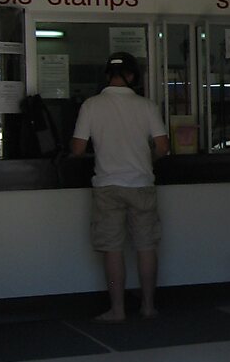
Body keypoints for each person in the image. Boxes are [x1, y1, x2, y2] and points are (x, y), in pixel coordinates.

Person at [70, 52, 169, 322]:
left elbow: (77, 149)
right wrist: (145, 158)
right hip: (141, 184)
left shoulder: (91, 105)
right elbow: (163, 147)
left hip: (107, 186)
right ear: (133, 76)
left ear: (106, 76)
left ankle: (117, 309)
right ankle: (148, 306)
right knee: (146, 245)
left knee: (113, 248)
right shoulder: (147, 105)